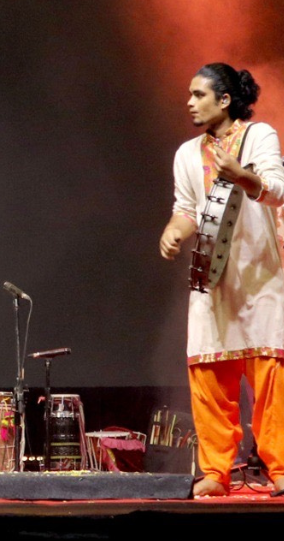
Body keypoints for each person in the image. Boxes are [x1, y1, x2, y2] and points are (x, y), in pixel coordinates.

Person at [159, 63, 284, 497]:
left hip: (260, 273)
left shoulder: (259, 135)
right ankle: (216, 470)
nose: (189, 103)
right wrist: (174, 230)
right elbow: (187, 209)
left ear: (225, 99)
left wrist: (243, 175)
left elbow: (276, 189)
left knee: (270, 372)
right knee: (209, 370)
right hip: (210, 278)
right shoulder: (187, 153)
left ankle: (281, 467)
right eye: (189, 95)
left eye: (198, 95)